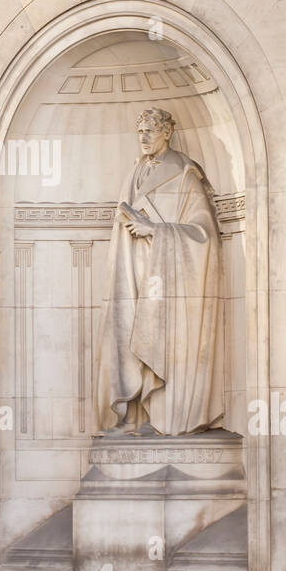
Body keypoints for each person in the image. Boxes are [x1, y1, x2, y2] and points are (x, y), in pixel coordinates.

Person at [94, 106, 225, 437]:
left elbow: (204, 233)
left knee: (158, 337)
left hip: (168, 276)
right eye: (140, 131)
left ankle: (164, 417)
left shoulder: (183, 172)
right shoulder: (133, 172)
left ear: (168, 132)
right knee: (126, 335)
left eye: (151, 129)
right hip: (133, 272)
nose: (144, 137)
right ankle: (130, 415)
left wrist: (155, 231)